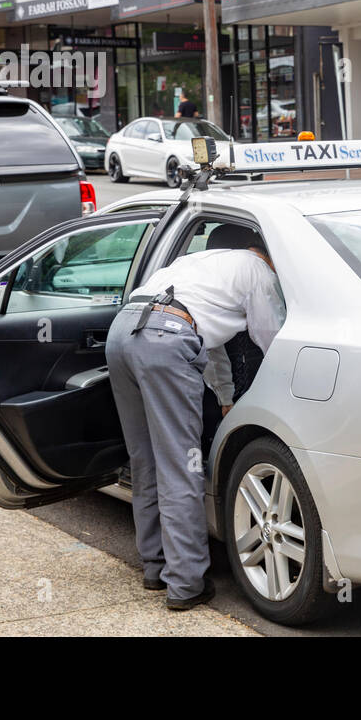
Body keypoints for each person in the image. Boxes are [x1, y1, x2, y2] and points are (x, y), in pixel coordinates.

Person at [105, 225, 285, 610]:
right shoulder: (259, 270)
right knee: (181, 464)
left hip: (122, 331)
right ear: (265, 252)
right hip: (167, 336)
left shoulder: (198, 262)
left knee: (146, 459)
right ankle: (186, 583)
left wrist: (225, 399)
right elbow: (272, 341)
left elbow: (210, 343)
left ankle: (155, 567)